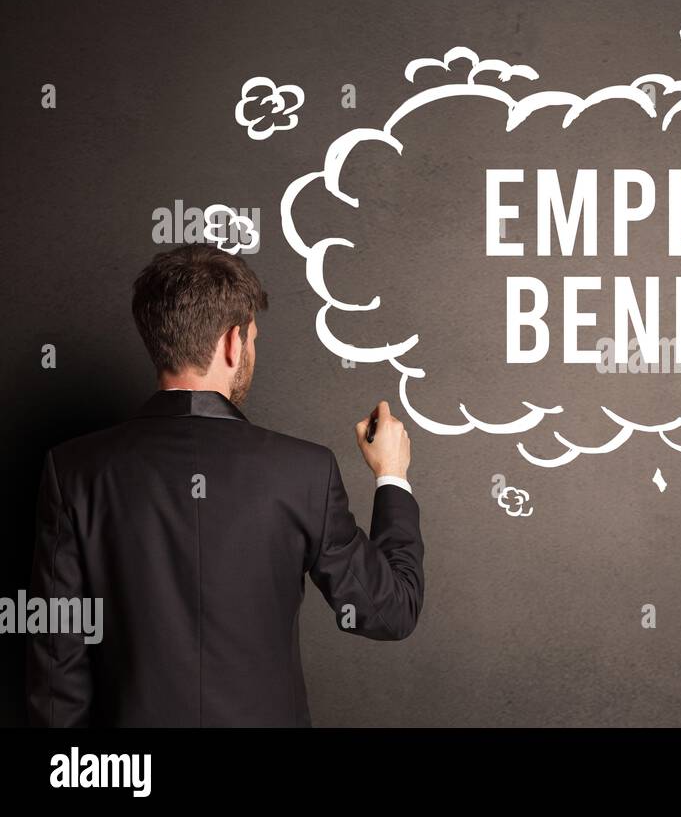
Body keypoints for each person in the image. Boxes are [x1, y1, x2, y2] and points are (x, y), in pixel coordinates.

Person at [27, 243, 424, 727]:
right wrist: (391, 476)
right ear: (234, 342)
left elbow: (55, 672)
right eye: (253, 338)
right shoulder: (304, 471)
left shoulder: (73, 470)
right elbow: (391, 612)